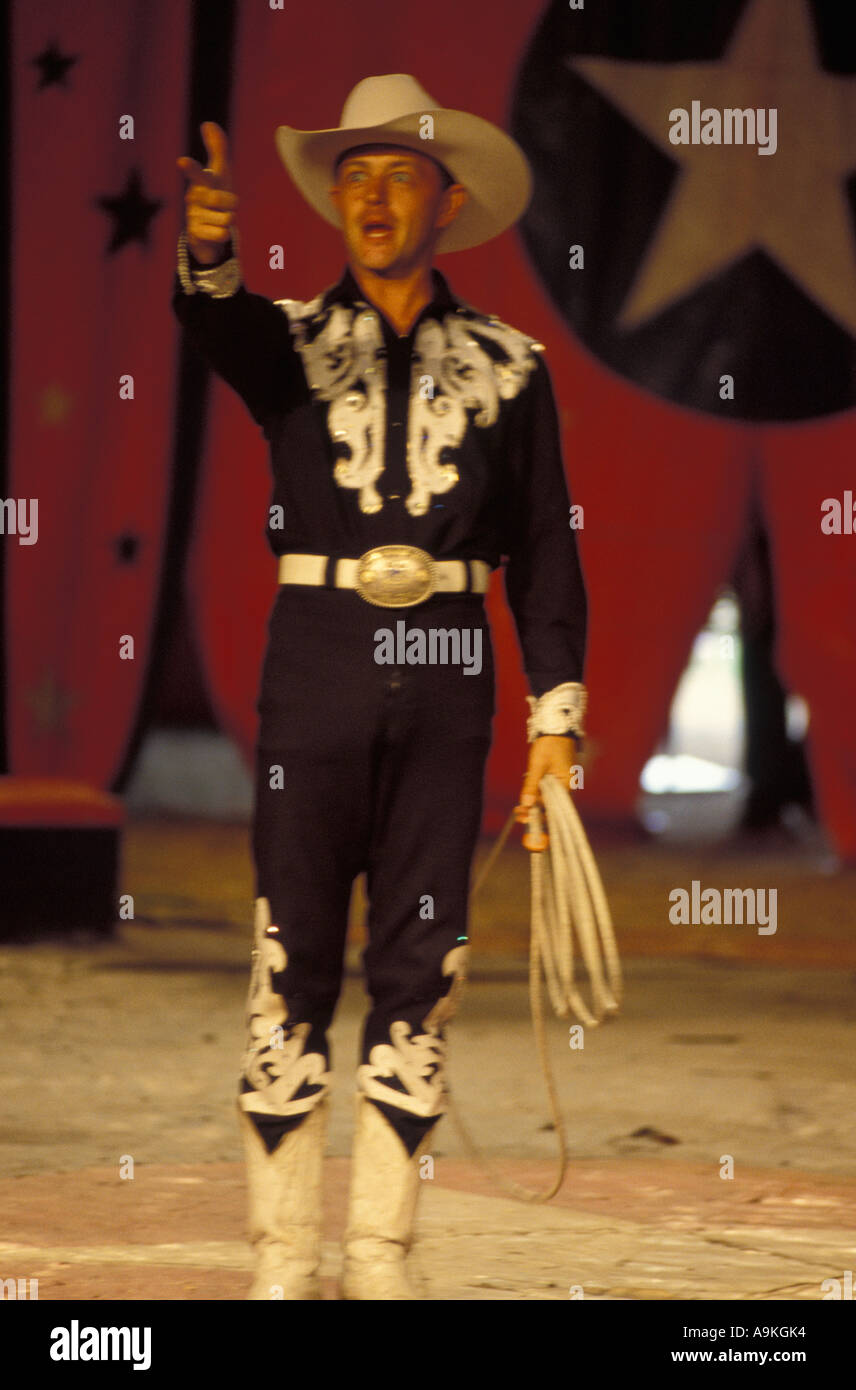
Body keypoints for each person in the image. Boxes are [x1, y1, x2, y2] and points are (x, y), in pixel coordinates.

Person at [173, 73, 587, 1301]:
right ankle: (284, 1255)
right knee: (289, 946)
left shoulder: (512, 365)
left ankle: (380, 1252)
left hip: (451, 665)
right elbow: (215, 321)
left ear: (444, 201)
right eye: (351, 175)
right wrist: (207, 253)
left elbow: (550, 547)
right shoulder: (289, 340)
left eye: (395, 173)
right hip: (318, 660)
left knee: (424, 960)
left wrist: (553, 720)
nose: (369, 194)